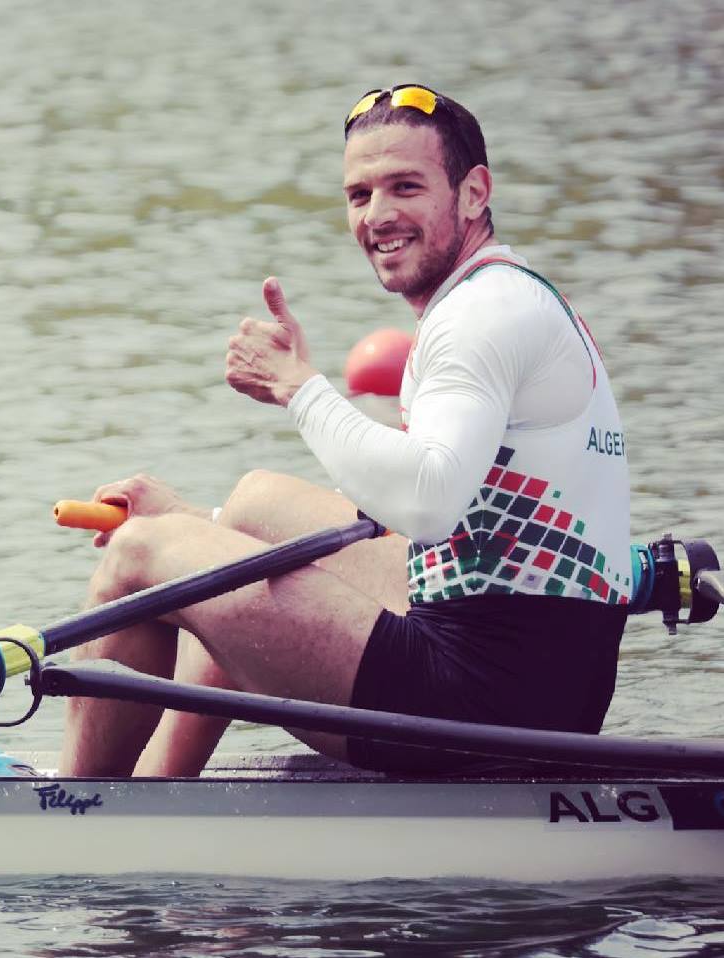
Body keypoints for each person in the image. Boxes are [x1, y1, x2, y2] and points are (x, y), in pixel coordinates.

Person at [59, 85, 632, 776]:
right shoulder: (505, 292)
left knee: (139, 552)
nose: (379, 216)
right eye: (360, 195)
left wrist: (300, 389)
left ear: (475, 192)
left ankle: (77, 807)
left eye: (405, 187)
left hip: (489, 709)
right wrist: (202, 522)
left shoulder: (480, 319)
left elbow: (425, 500)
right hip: (539, 676)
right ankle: (162, 787)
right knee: (252, 507)